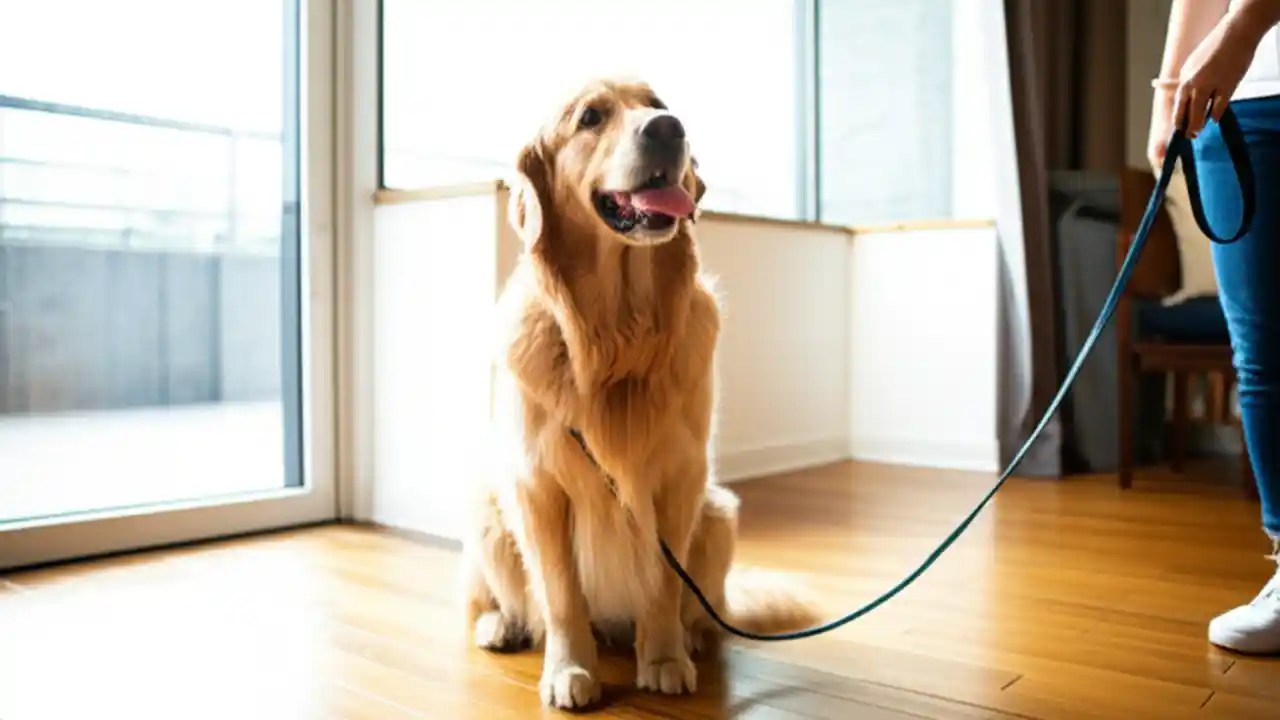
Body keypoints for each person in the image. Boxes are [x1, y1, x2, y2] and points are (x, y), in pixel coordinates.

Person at [1149, 0, 1280, 654]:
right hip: (1245, 101)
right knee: (1263, 350)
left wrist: (1246, 25)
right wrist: (1168, 86)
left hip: (1241, 56)